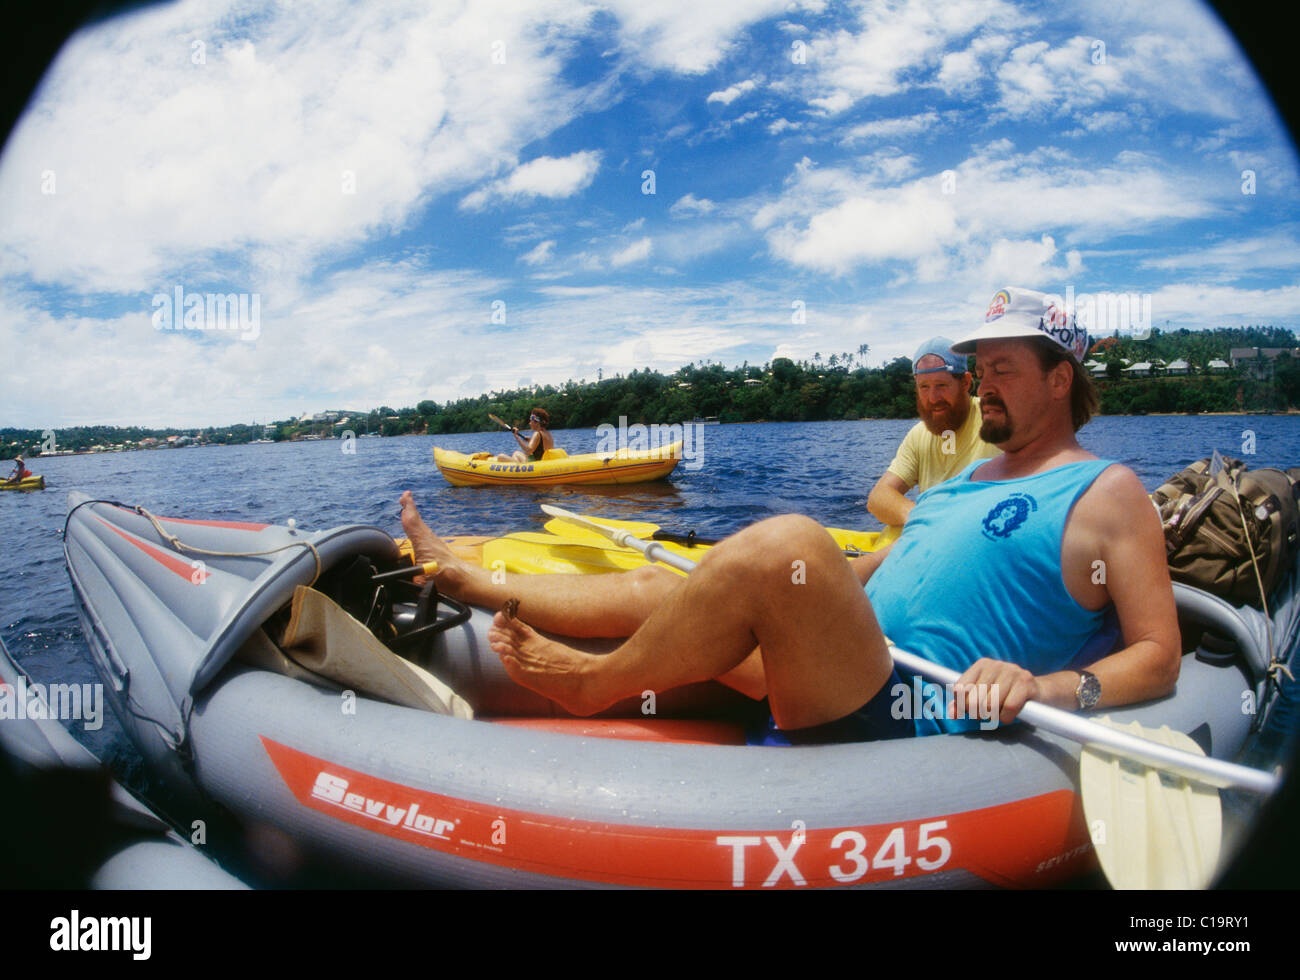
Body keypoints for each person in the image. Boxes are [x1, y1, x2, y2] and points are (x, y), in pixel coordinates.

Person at [400, 286, 1180, 741]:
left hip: (906, 706)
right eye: (981, 372)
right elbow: (884, 563)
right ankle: (468, 581)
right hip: (840, 661)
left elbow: (1156, 653)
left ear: (1058, 379)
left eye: (1003, 370)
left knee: (785, 543)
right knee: (656, 584)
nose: (982, 388)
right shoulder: (969, 477)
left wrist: (1045, 687)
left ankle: (595, 683)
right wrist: (780, 589)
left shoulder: (1107, 491)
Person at [866, 337, 999, 529]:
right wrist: (925, 520)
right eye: (924, 387)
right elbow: (878, 498)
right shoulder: (919, 434)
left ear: (966, 382)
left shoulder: (995, 421)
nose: (933, 398)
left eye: (941, 385)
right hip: (933, 536)